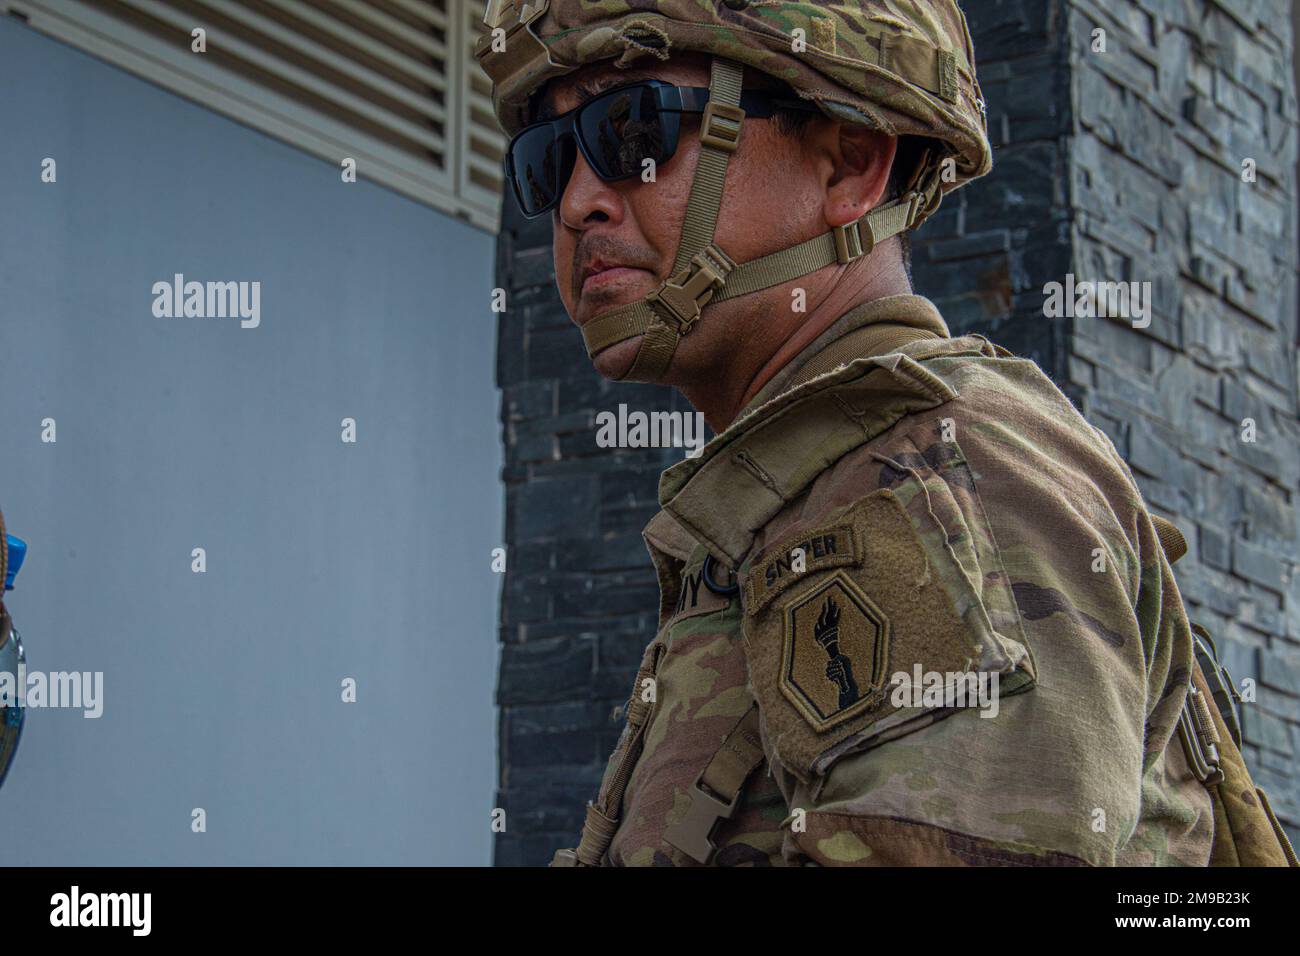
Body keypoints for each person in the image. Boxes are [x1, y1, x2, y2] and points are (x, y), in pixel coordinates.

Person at [477, 0, 1295, 866]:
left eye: (630, 128)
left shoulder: (937, 486)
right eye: (549, 158)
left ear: (852, 166)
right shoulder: (805, 490)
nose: (576, 203)